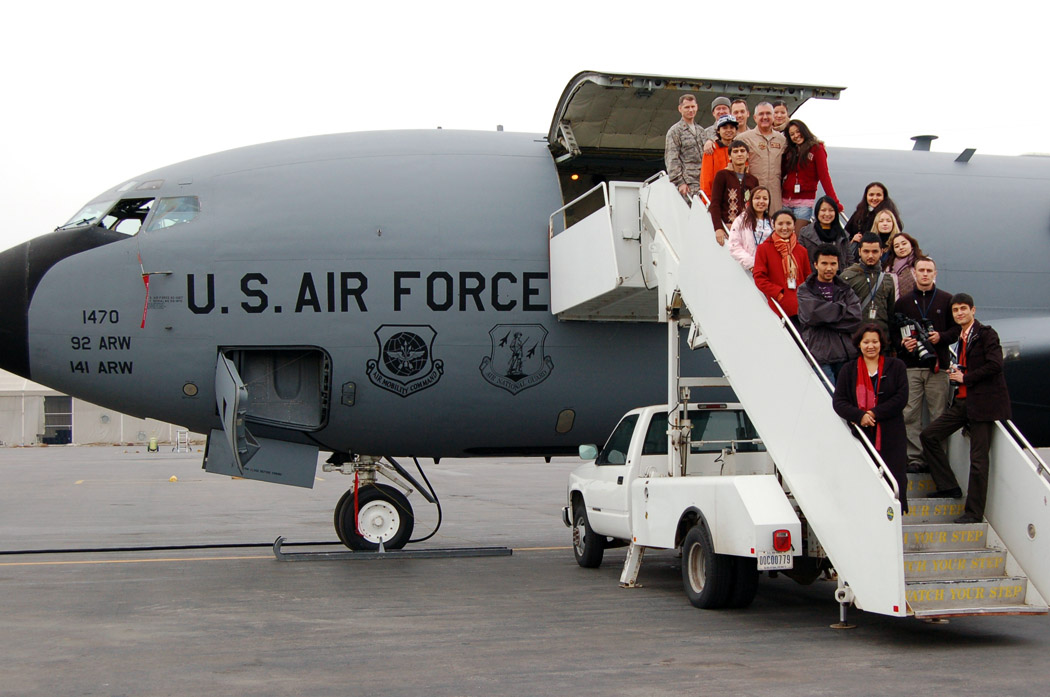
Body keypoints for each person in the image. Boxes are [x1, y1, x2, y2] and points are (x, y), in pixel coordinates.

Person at [921, 294, 1012, 524]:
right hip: (963, 402)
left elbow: (995, 365)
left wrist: (966, 377)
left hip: (983, 404)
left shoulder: (986, 333)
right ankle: (949, 486)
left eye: (963, 309)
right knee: (929, 435)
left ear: (973, 310)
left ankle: (973, 513)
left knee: (979, 461)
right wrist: (958, 373)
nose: (959, 313)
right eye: (955, 310)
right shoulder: (961, 338)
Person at [833, 324, 910, 513]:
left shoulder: (896, 366)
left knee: (895, 475)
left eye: (874, 341)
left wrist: (873, 413)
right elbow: (839, 402)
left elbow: (901, 397)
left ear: (881, 343)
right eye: (866, 342)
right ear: (859, 344)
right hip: (861, 434)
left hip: (892, 433)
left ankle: (895, 514)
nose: (870, 346)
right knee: (864, 477)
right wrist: (860, 416)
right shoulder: (848, 369)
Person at [896, 257, 959, 473]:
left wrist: (940, 337)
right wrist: (903, 342)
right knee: (910, 413)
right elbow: (893, 333)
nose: (924, 274)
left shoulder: (946, 300)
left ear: (935, 273)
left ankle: (936, 460)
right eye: (921, 270)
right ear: (914, 273)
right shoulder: (903, 302)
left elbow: (956, 331)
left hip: (938, 366)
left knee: (938, 415)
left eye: (928, 270)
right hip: (911, 365)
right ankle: (914, 459)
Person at [797, 244, 862, 385]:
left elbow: (855, 317)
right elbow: (812, 314)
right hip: (820, 356)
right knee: (827, 401)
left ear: (838, 265)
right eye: (824, 263)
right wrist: (842, 309)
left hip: (846, 355)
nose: (829, 268)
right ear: (815, 264)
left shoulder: (845, 288)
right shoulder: (805, 290)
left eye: (833, 264)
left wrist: (825, 316)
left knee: (846, 401)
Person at [753, 209, 812, 325]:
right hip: (779, 306)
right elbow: (759, 277)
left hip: (801, 306)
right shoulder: (764, 249)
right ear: (773, 225)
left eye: (788, 224)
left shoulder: (801, 250)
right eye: (780, 224)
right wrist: (778, 293)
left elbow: (808, 277)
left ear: (794, 226)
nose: (784, 228)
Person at [780, 120, 841, 228]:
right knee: (784, 236)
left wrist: (835, 202)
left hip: (804, 202)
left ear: (804, 130)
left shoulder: (817, 149)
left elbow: (824, 176)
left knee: (798, 236)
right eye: (792, 134)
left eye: (798, 131)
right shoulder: (790, 151)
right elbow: (781, 173)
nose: (796, 136)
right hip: (785, 200)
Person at [841, 233, 896, 336]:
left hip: (881, 338)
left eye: (875, 251)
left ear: (881, 252)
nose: (870, 255)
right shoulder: (847, 277)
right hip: (855, 337)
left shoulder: (887, 280)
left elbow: (890, 314)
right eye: (866, 251)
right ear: (859, 252)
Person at [738, 102, 787, 211]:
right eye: (761, 114)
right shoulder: (743, 139)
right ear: (755, 118)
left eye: (768, 114)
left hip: (775, 197)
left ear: (773, 116)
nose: (765, 117)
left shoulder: (782, 140)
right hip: (752, 194)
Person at [709, 140, 758, 246]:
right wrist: (718, 228)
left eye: (742, 151)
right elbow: (715, 204)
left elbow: (756, 207)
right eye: (735, 151)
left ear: (747, 155)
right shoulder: (722, 175)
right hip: (727, 228)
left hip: (748, 230)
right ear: (730, 156)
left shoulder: (753, 180)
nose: (739, 154)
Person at [665, 94, 705, 199]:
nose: (690, 110)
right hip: (688, 185)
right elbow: (672, 159)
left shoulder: (701, 131)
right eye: (687, 107)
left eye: (693, 106)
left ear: (697, 107)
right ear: (680, 109)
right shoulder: (675, 131)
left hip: (704, 182)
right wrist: (680, 182)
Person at [799, 195, 852, 269]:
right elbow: (801, 260)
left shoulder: (843, 235)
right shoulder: (805, 234)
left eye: (831, 210)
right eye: (823, 210)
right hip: (814, 278)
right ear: (817, 212)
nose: (827, 214)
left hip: (839, 278)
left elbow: (849, 260)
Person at [727, 185, 772, 272]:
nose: (761, 201)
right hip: (749, 268)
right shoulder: (741, 220)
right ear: (751, 200)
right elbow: (734, 245)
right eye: (757, 198)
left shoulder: (772, 222)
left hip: (768, 268)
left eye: (765, 198)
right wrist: (751, 264)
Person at [700, 115, 739, 199]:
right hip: (717, 199)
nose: (728, 130)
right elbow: (706, 180)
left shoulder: (740, 149)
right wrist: (708, 201)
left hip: (736, 198)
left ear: (736, 130)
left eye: (732, 127)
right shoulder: (711, 150)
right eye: (724, 128)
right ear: (718, 130)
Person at [883, 232, 922, 299]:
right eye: (897, 246)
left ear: (911, 245)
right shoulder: (889, 268)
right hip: (899, 306)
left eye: (904, 244)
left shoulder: (923, 263)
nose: (901, 248)